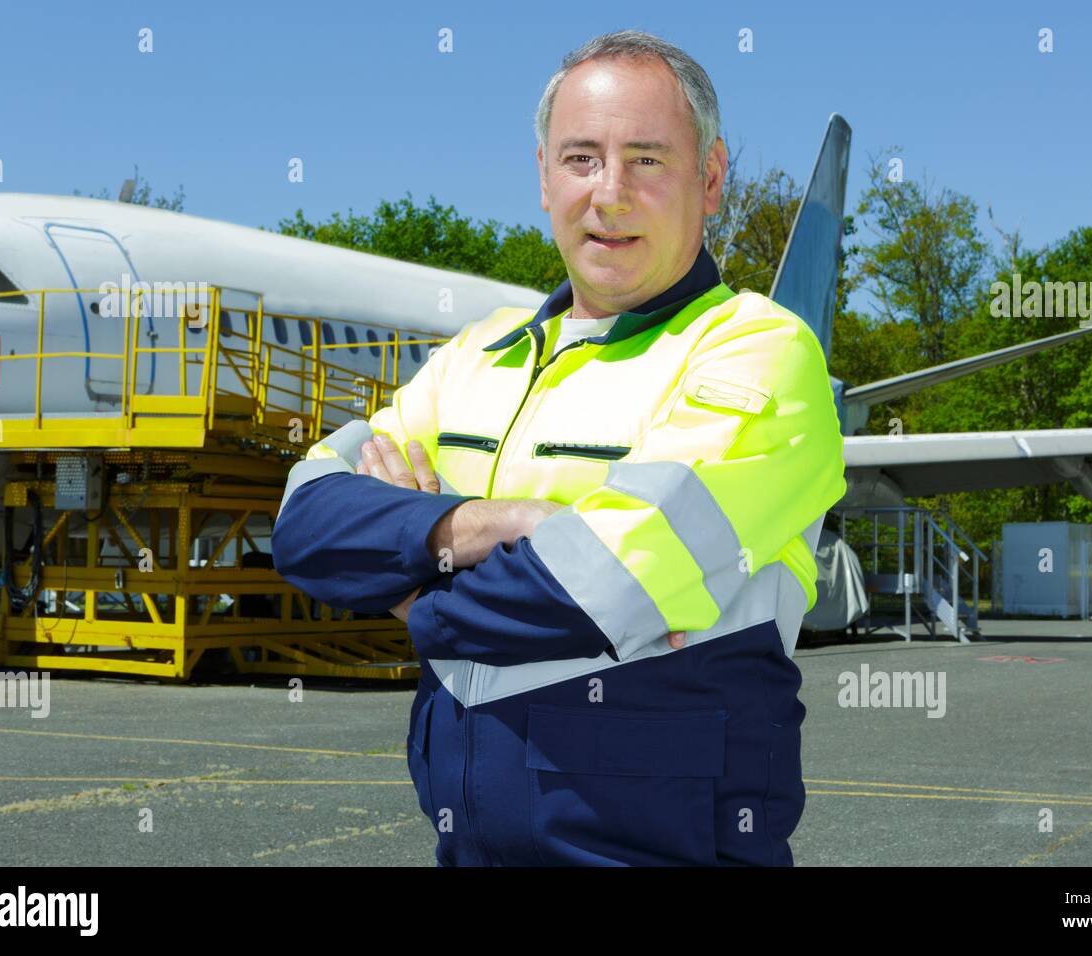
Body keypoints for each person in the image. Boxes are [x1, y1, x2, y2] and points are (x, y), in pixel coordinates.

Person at [271, 29, 846, 866]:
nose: (608, 194)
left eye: (646, 160)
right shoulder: (479, 353)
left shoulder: (757, 350)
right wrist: (489, 523)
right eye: (581, 158)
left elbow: (592, 586)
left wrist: (397, 589)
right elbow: (302, 524)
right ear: (544, 176)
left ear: (712, 178)